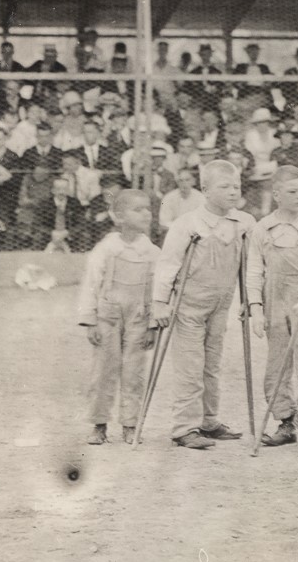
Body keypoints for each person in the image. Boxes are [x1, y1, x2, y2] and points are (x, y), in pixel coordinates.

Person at [150, 160, 257, 451]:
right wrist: (160, 302)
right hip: (189, 306)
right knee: (190, 365)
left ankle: (209, 420)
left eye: (236, 186)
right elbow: (168, 264)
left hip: (221, 304)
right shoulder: (188, 224)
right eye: (224, 187)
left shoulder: (244, 222)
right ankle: (184, 427)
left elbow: (250, 265)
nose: (233, 192)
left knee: (212, 364)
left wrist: (250, 299)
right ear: (206, 190)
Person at [78, 190, 160, 445]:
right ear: (120, 216)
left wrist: (153, 325)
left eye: (148, 208)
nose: (146, 214)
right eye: (138, 210)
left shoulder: (153, 252)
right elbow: (91, 284)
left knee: (134, 371)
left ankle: (130, 423)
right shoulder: (106, 249)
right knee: (103, 370)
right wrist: (90, 319)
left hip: (138, 316)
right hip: (108, 316)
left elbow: (159, 291)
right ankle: (99, 423)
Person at [253, 167, 298, 447]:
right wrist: (255, 308)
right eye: (292, 192)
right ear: (276, 194)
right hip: (274, 298)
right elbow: (253, 271)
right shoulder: (263, 227)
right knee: (278, 362)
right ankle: (284, 419)